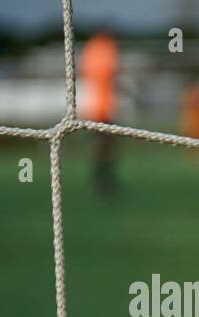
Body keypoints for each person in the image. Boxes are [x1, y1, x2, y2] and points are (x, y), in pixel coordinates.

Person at [79, 29, 120, 196]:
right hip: (101, 109)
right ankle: (102, 183)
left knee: (103, 148)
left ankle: (103, 181)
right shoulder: (104, 49)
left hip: (97, 108)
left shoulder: (90, 49)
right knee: (103, 148)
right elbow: (110, 71)